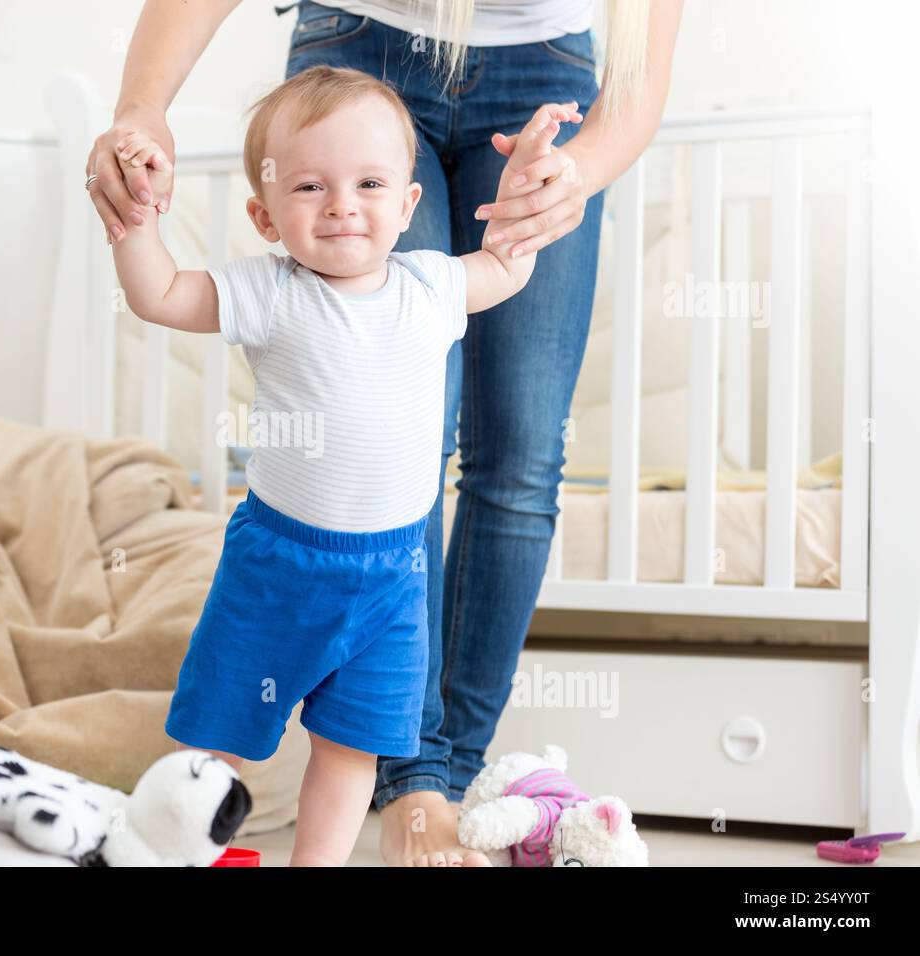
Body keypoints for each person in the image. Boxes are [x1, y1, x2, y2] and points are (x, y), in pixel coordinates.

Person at [85, 0, 682, 866]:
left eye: (369, 189)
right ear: (264, 214)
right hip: (280, 555)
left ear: (405, 206)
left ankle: (432, 785)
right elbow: (162, 295)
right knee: (218, 736)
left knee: (515, 465)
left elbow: (506, 265)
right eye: (311, 189)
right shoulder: (268, 287)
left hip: (389, 577)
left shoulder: (431, 286)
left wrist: (542, 187)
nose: (340, 209)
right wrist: (137, 197)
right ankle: (181, 840)